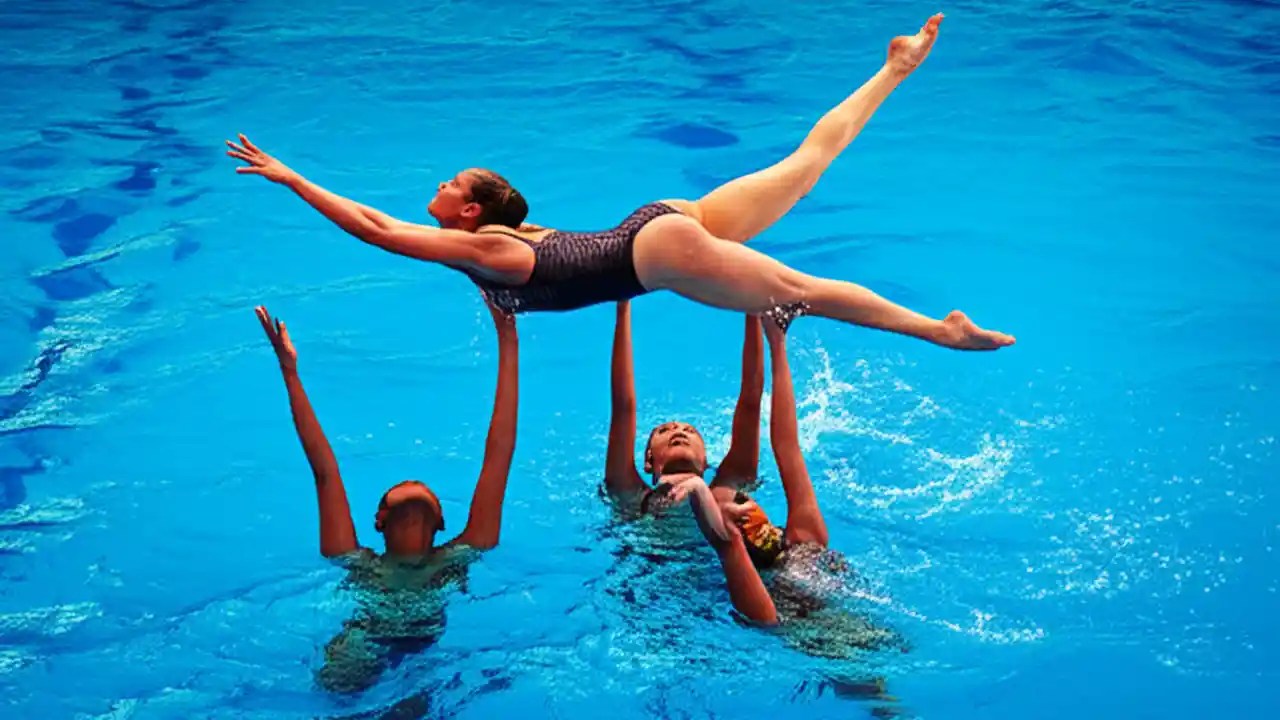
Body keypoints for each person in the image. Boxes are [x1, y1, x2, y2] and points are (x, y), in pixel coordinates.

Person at [225, 15, 1015, 352]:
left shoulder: (493, 251)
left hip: (656, 253)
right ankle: (895, 68)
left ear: (468, 213)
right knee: (805, 167)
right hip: (660, 219)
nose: (431, 188)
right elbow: (383, 219)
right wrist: (308, 179)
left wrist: (293, 178)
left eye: (445, 184)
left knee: (794, 289)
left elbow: (378, 233)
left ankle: (937, 331)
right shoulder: (493, 239)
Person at [252, 298, 518, 693]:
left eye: (422, 490)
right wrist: (289, 372)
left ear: (440, 524)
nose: (413, 482)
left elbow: (499, 451)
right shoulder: (359, 563)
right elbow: (324, 471)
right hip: (367, 645)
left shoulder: (459, 555)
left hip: (423, 664)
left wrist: (507, 337)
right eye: (398, 491)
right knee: (344, 669)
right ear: (379, 521)